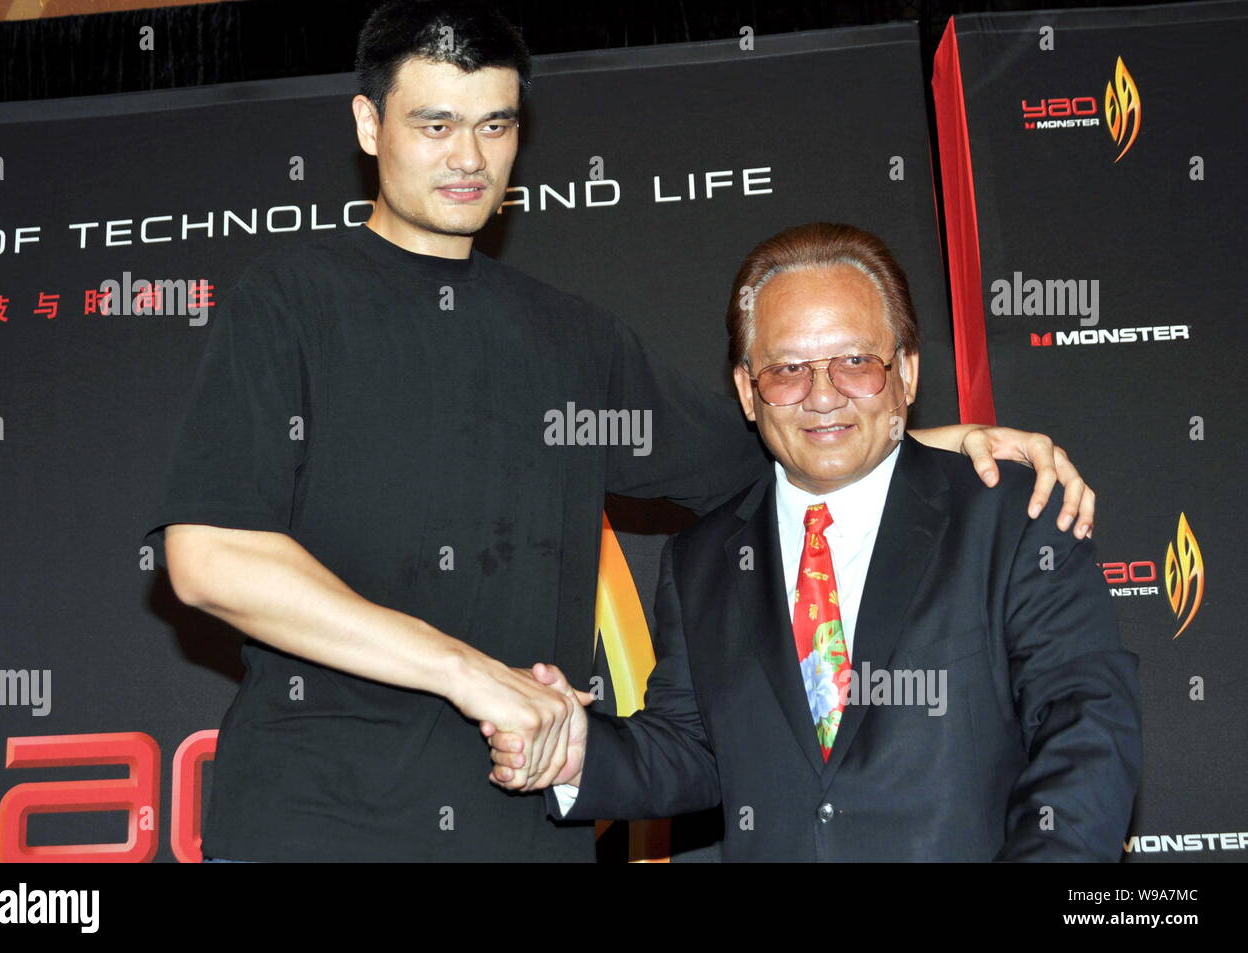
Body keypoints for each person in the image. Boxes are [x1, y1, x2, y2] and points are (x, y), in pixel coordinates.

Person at [145, 2, 1095, 862]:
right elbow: (211, 557)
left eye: (495, 123)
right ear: (368, 126)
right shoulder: (288, 304)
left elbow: (767, 447)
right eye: (434, 124)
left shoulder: (570, 338)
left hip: (523, 829)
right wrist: (472, 675)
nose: (468, 157)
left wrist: (924, 432)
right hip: (314, 828)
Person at [487, 222, 1141, 862]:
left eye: (857, 362)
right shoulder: (703, 560)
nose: (822, 396)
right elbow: (696, 749)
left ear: (907, 373)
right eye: (788, 369)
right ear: (748, 391)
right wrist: (576, 750)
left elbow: (1085, 730)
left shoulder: (1011, 517)